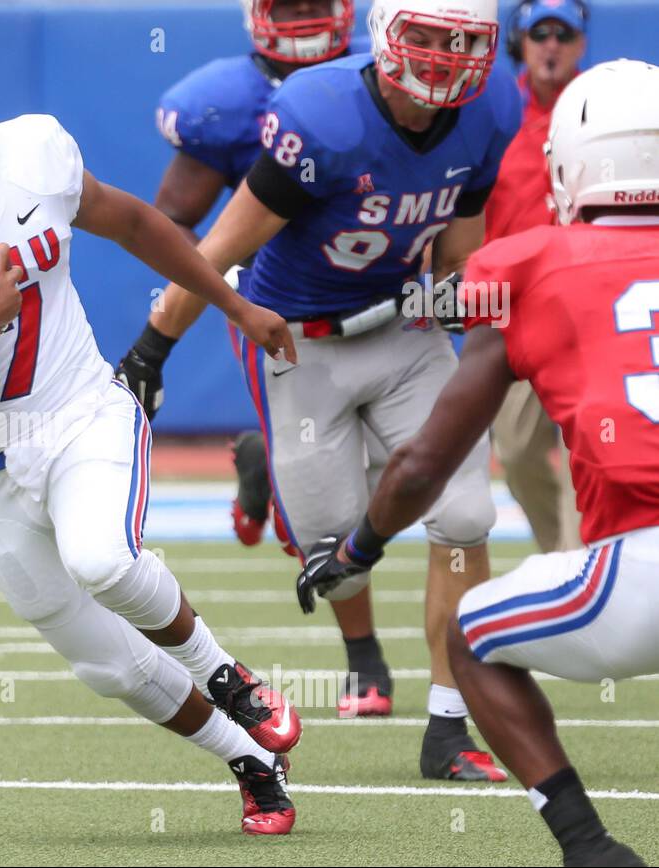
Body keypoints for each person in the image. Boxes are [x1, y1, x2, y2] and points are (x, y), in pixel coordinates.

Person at [0, 31, 306, 834]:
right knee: (107, 665)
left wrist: (234, 303)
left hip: (80, 412)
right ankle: (247, 758)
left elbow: (139, 225)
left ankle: (228, 676)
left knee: (103, 558)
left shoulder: (35, 154)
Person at [117, 0, 520, 778]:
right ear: (386, 34)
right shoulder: (323, 114)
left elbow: (460, 253)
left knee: (466, 515)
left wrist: (458, 302)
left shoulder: (491, 105)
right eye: (426, 37)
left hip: (406, 337)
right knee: (337, 553)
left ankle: (449, 726)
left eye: (463, 40)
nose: (443, 58)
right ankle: (307, 511)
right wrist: (152, 348)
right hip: (300, 344)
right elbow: (221, 244)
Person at [295, 59, 659, 866]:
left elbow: (425, 462)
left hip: (640, 573)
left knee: (470, 634)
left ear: (570, 165)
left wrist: (358, 548)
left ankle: (590, 849)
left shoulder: (531, 265)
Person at [131, 0, 362, 554]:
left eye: (315, 4)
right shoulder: (225, 104)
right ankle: (275, 473)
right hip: (278, 297)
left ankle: (268, 460)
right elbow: (174, 220)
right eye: (289, 6)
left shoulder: (379, 75)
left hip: (370, 280)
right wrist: (228, 282)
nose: (304, 15)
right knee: (309, 495)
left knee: (391, 449)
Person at [486, 0, 591, 553]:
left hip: (590, 310)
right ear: (520, 42)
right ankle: (562, 557)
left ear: (580, 42)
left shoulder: (600, 107)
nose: (551, 45)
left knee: (591, 447)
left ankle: (586, 566)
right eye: (540, 34)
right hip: (518, 311)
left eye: (563, 34)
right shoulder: (495, 110)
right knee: (518, 449)